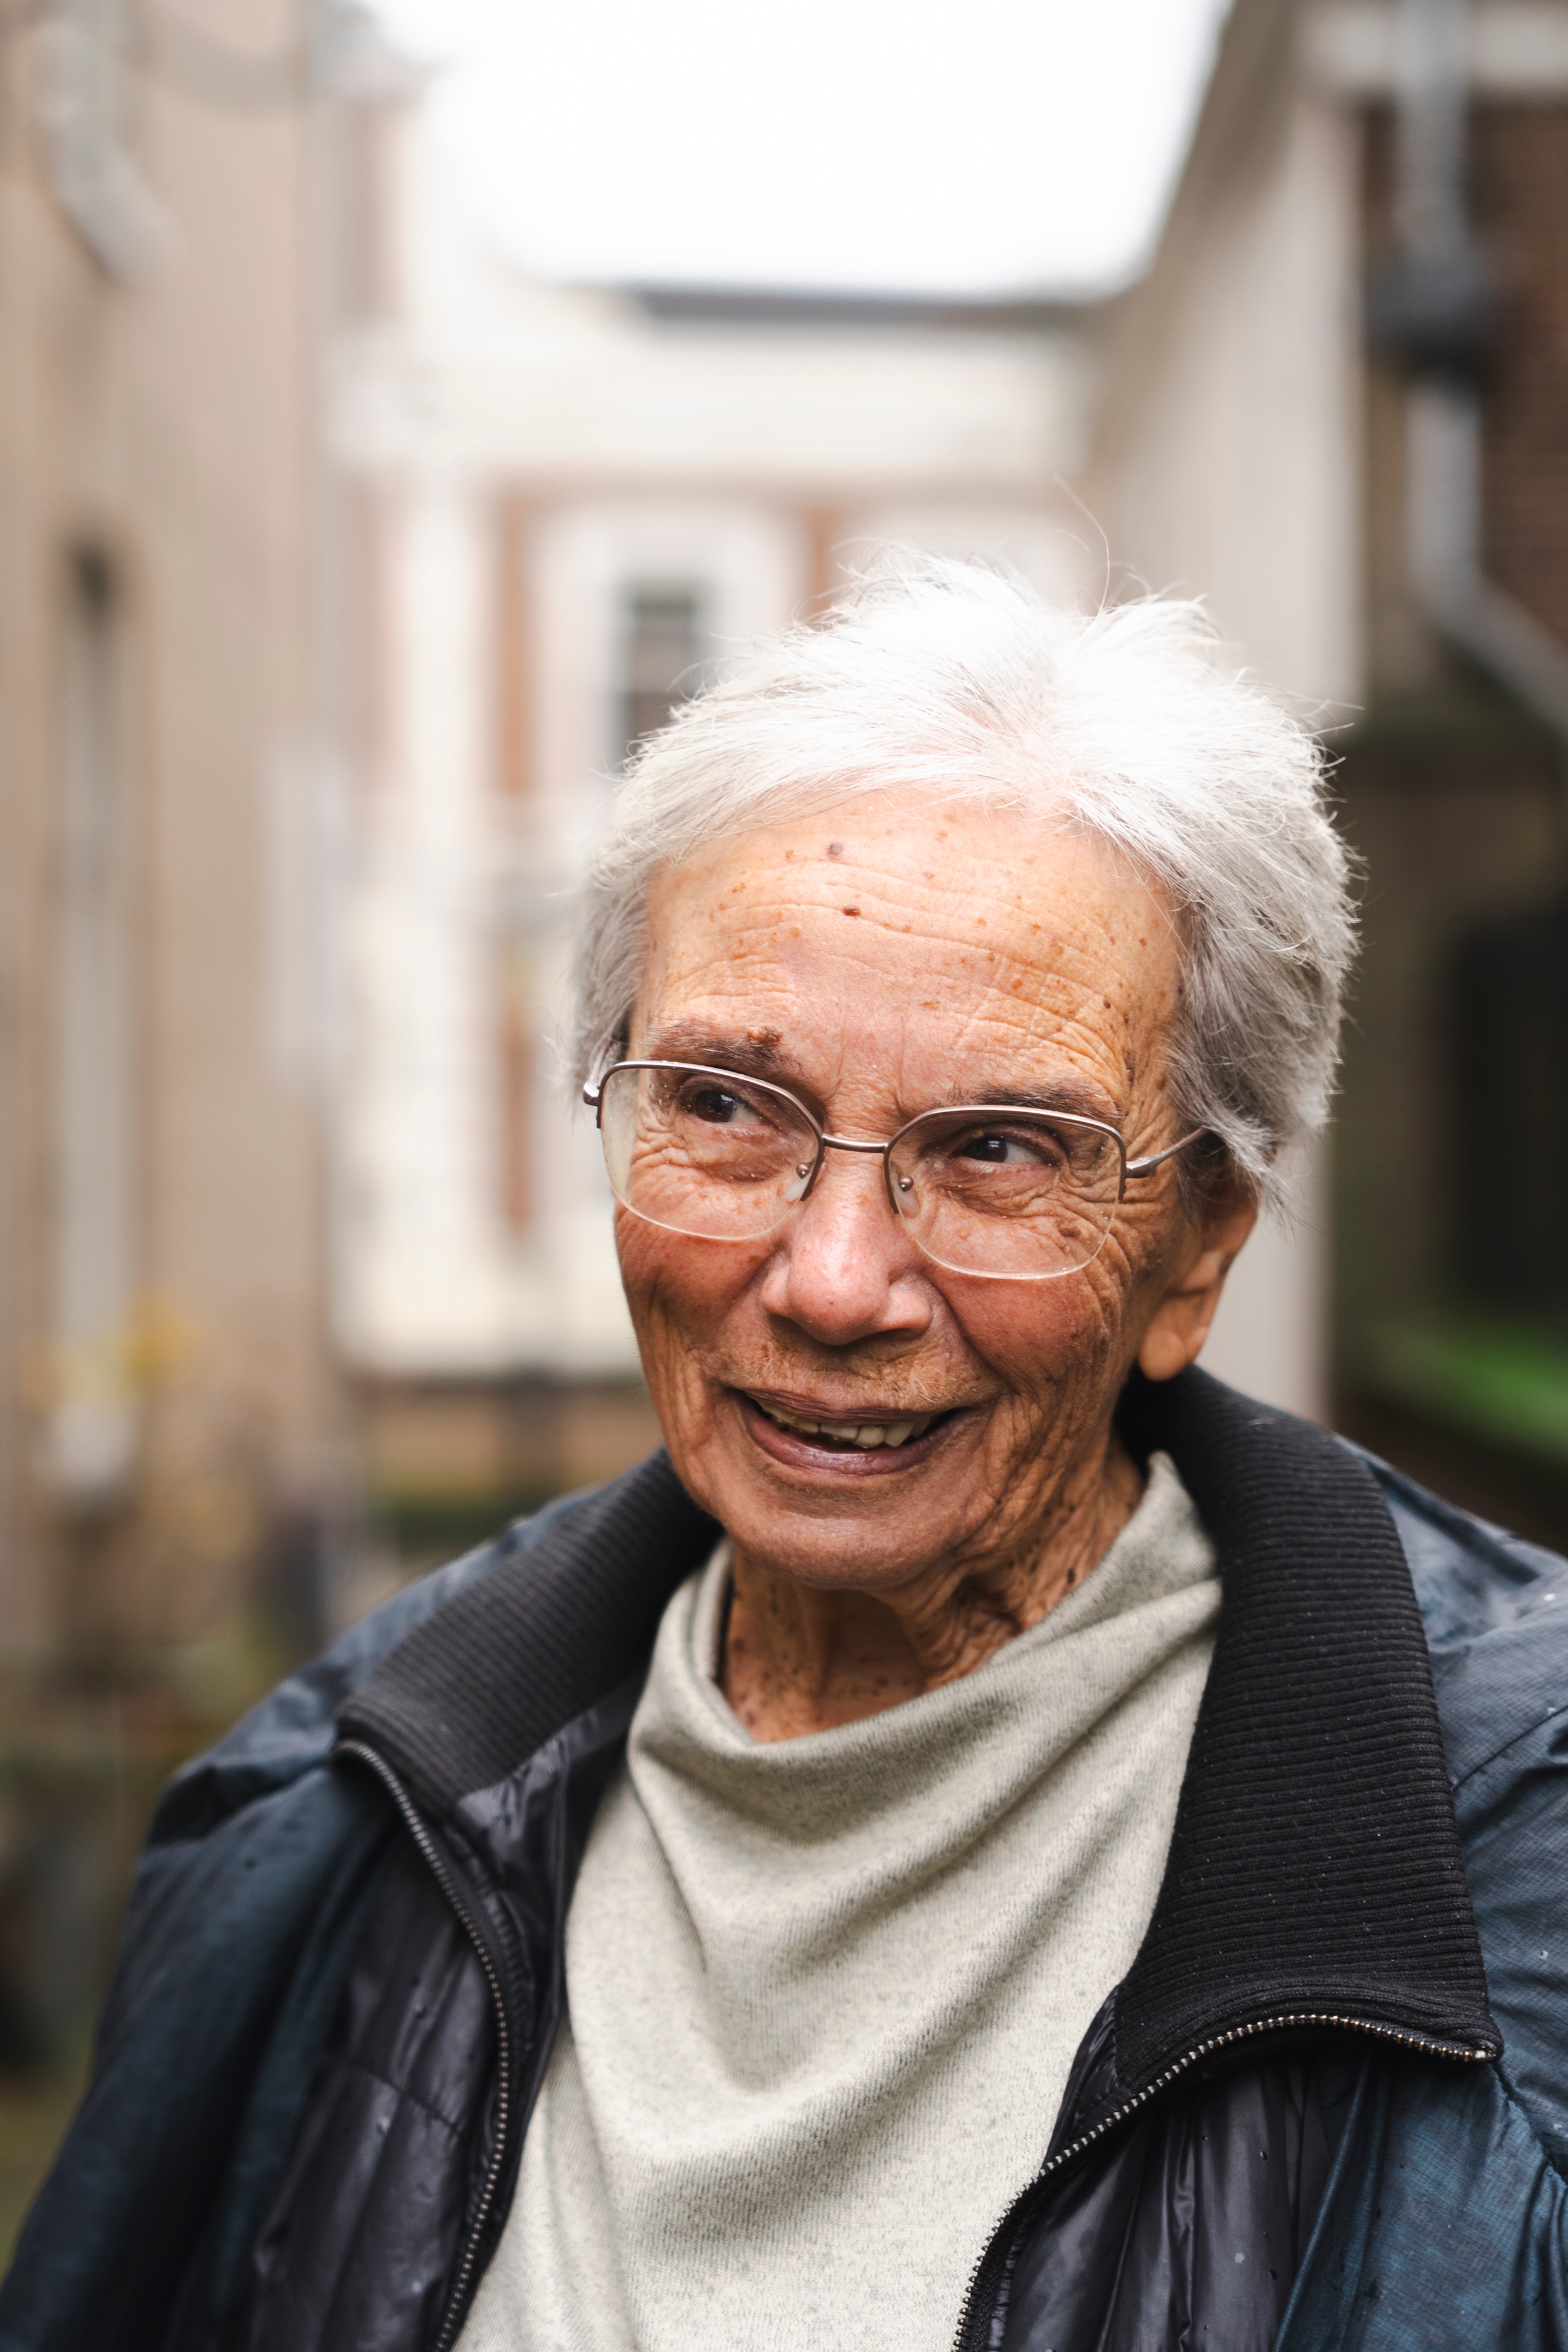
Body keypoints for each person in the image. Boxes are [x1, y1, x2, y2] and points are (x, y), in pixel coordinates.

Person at [4, 553, 1567, 2352]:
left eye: (997, 1147)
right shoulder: (321, 1833)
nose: (830, 1282)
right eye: (727, 1106)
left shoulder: (1516, 1887)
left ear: (1196, 1245)